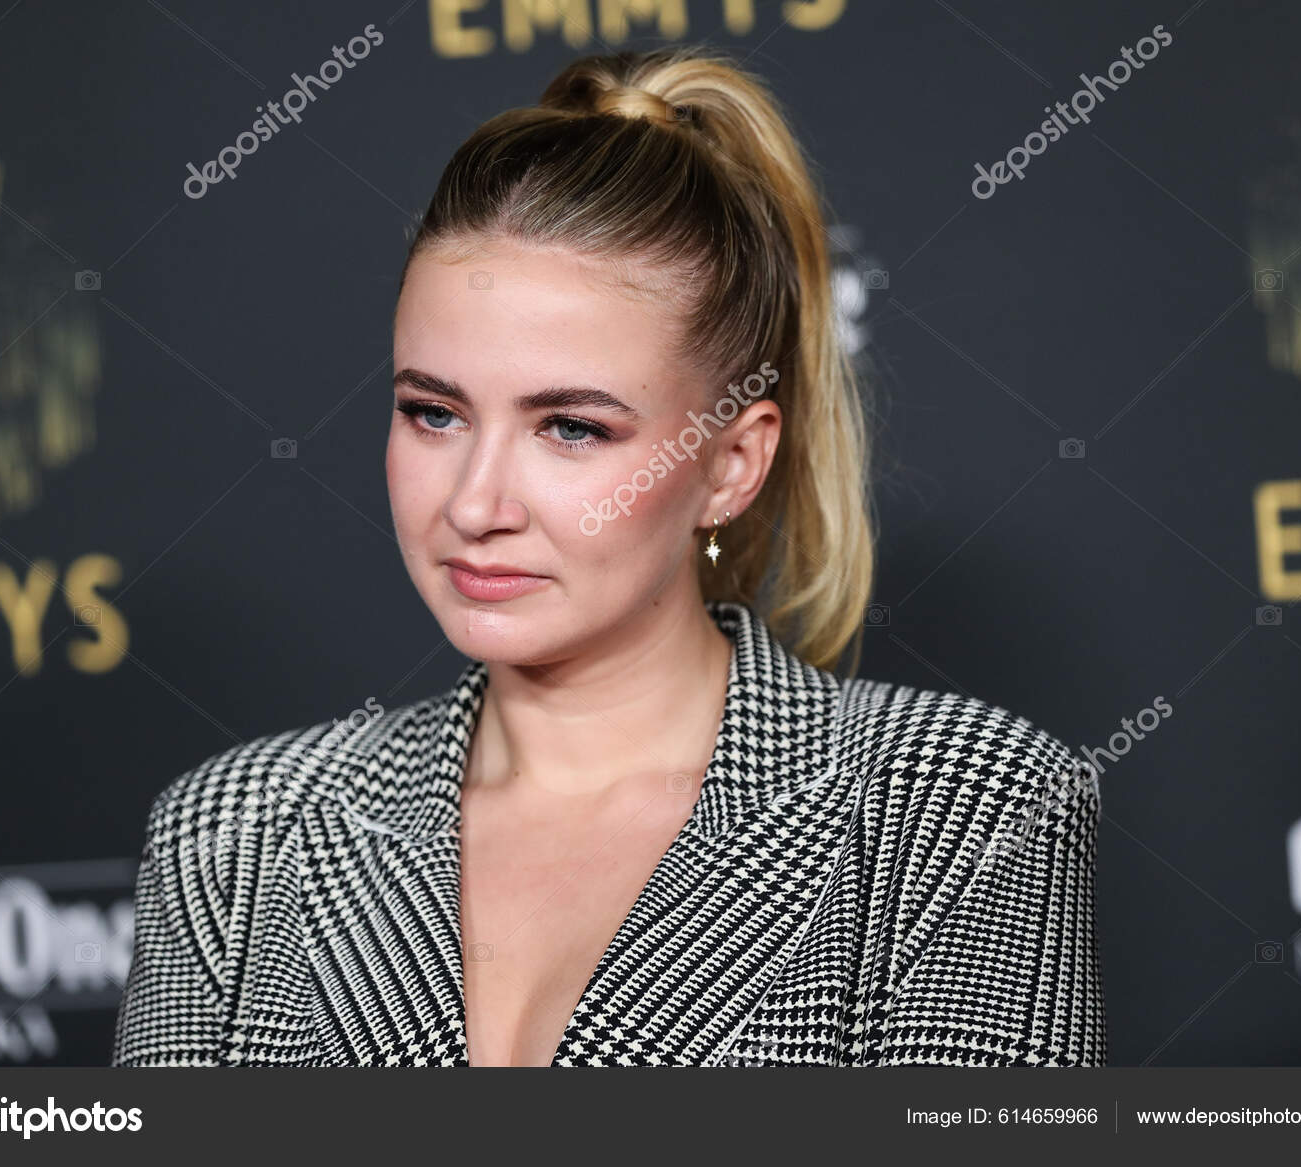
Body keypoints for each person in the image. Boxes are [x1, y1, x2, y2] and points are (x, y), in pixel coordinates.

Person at [111, 45, 1105, 1068]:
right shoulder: (235, 835)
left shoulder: (958, 807)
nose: (475, 503)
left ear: (729, 464)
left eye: (572, 428)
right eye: (433, 413)